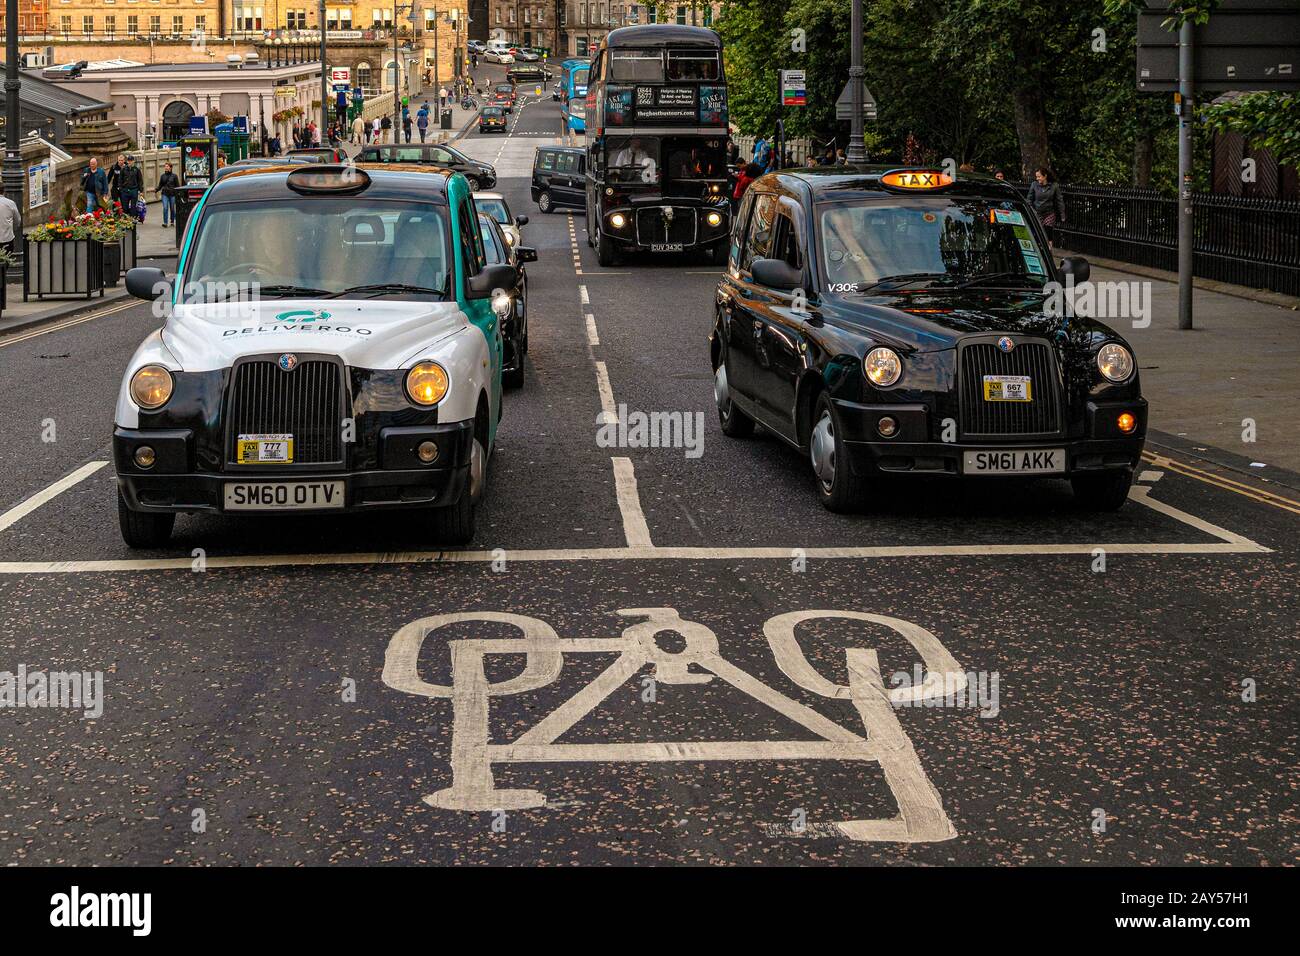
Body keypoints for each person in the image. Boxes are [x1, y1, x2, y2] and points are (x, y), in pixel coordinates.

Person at [1027, 166, 1066, 243]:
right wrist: (1032, 211)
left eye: (1039, 176)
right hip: (1037, 213)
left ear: (1045, 176)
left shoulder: (1054, 185)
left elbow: (1059, 200)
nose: (1037, 178)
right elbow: (1029, 199)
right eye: (1036, 177)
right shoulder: (1034, 185)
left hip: (1049, 213)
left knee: (1048, 232)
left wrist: (1062, 214)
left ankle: (1049, 249)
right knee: (1038, 233)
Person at [118, 154, 143, 220]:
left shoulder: (136, 170)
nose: (130, 162)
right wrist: (120, 189)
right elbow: (120, 180)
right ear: (127, 161)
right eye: (129, 161)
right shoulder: (123, 169)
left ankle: (132, 220)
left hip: (134, 190)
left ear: (133, 161)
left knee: (133, 207)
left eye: (131, 161)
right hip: (125, 190)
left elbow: (140, 180)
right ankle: (126, 221)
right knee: (125, 208)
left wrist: (141, 190)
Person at [0, 190, 22, 262]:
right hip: (6, 238)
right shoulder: (10, 203)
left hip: (6, 238)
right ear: (3, 191)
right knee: (5, 262)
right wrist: (13, 229)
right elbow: (17, 220)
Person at [156, 162, 179, 227]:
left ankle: (172, 221)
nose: (166, 167)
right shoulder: (162, 176)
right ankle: (165, 222)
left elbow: (177, 186)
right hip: (165, 194)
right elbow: (160, 185)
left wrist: (178, 194)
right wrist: (156, 190)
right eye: (165, 166)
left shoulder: (174, 176)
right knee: (165, 207)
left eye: (167, 166)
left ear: (171, 168)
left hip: (172, 194)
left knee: (172, 208)